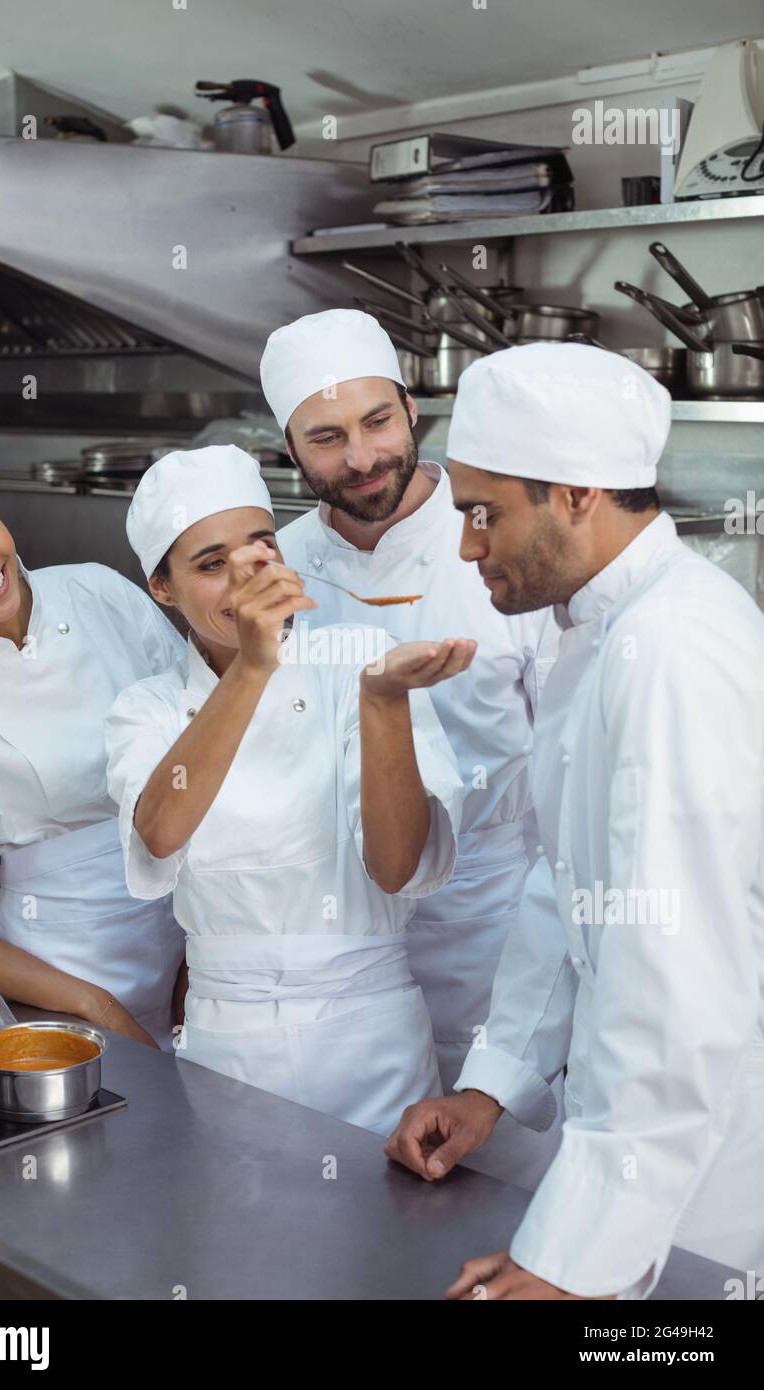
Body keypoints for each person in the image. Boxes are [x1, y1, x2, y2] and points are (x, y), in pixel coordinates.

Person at [386, 342, 764, 1299]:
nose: (467, 546)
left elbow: (674, 987)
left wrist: (575, 1261)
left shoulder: (672, 654)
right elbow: (570, 884)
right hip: (641, 1152)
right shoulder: (601, 632)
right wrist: (492, 1085)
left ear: (578, 495)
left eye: (484, 512)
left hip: (704, 1162)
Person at [260, 308, 563, 1186]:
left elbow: (571, 767)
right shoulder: (272, 568)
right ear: (287, 448)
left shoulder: (503, 548)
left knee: (508, 1197)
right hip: (339, 948)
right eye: (326, 438)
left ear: (411, 409)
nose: (359, 458)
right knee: (366, 1205)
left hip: (495, 930)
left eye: (377, 423)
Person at [104, 445, 470, 1134]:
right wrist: (251, 668)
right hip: (229, 1047)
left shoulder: (364, 660)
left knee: (392, 1237)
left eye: (262, 545)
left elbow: (396, 871)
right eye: (211, 565)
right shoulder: (145, 710)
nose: (248, 574)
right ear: (163, 588)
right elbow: (159, 830)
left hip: (375, 1040)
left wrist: (384, 703)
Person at [0, 434, 187, 1047]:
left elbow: (202, 740)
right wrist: (96, 1004)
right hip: (61, 972)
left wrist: (208, 944)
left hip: (203, 923)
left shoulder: (99, 592)